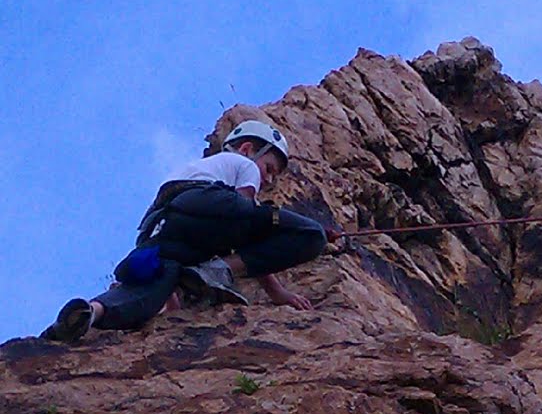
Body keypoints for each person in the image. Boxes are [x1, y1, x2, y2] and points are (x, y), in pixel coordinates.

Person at [42, 121, 338, 343]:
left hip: (160, 234)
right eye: (270, 167)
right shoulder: (242, 164)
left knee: (147, 295)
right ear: (248, 149)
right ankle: (216, 271)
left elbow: (226, 229)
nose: (270, 179)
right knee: (310, 234)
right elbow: (245, 218)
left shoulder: (197, 169)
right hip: (204, 205)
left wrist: (170, 304)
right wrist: (278, 287)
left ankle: (86, 314)